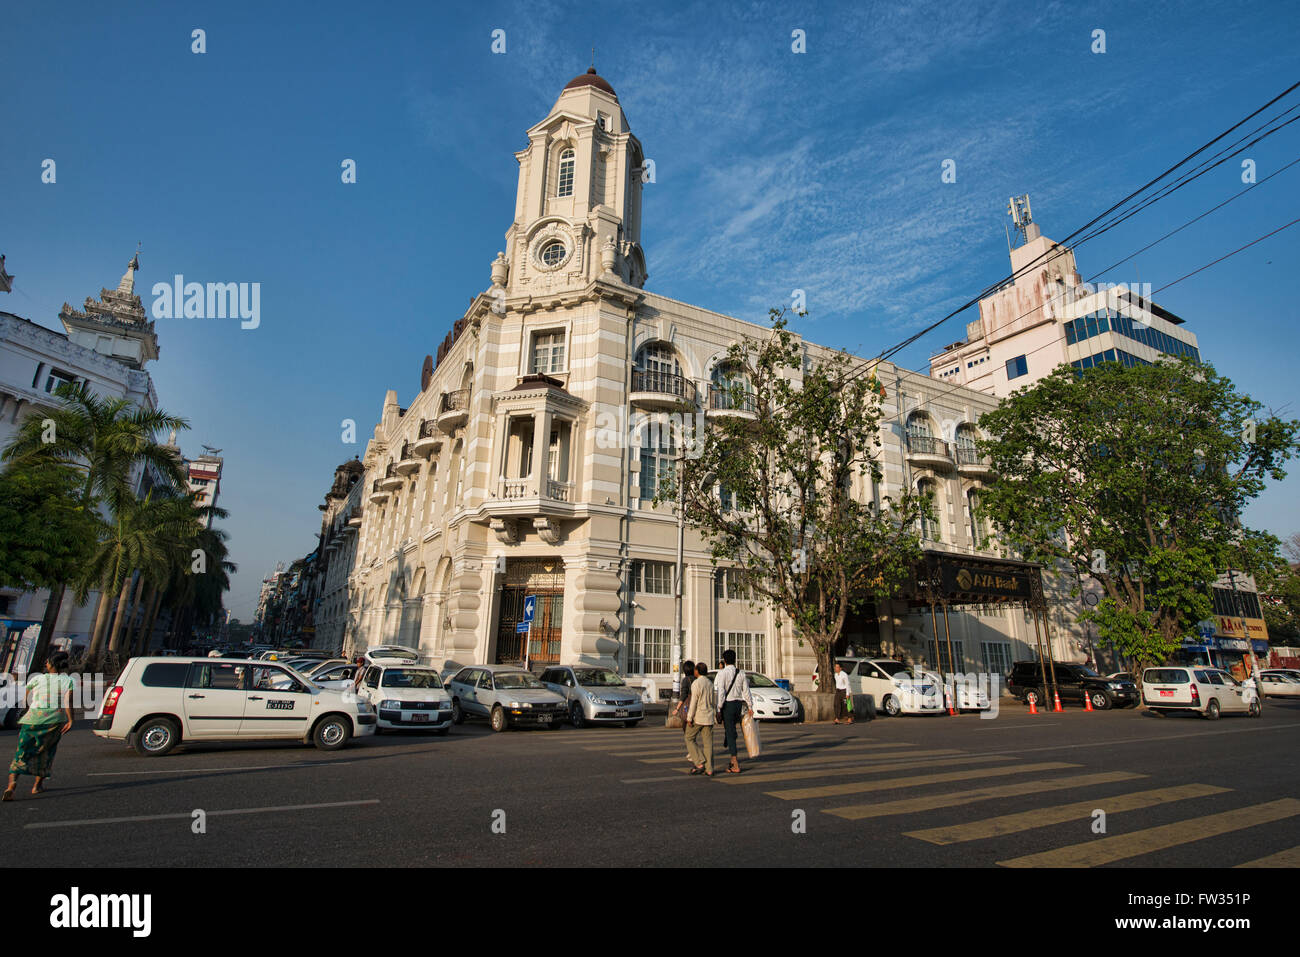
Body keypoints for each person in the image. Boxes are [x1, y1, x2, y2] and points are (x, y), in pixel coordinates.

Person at [5, 652, 75, 800]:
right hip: (54, 720)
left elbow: (26, 700)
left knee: (22, 751)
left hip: (32, 719)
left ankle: (11, 786)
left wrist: (28, 710)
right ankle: (37, 786)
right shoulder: (68, 681)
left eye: (48, 662)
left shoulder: (37, 678)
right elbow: (68, 703)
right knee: (46, 752)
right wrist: (70, 720)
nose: (46, 664)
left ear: (51, 665)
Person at [713, 650, 754, 773]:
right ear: (735, 659)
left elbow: (721, 691)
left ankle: (735, 762)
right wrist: (750, 706)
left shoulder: (722, 673)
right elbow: (746, 690)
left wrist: (719, 707)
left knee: (730, 732)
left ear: (724, 660)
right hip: (738, 705)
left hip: (728, 705)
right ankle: (731, 750)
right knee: (731, 730)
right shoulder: (741, 673)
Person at [685, 663, 715, 776]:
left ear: (697, 671)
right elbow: (713, 701)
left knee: (689, 738)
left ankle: (699, 761)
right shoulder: (710, 683)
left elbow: (693, 702)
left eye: (695, 669)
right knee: (708, 744)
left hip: (699, 716)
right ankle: (709, 769)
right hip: (709, 716)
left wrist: (689, 717)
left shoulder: (696, 683)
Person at [833, 660, 853, 724]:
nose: (836, 669)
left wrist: (847, 693)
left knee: (846, 705)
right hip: (838, 691)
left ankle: (850, 718)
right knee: (836, 704)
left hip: (844, 691)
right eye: (835, 667)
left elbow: (847, 684)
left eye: (837, 667)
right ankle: (837, 718)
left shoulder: (844, 675)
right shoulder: (835, 675)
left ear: (840, 668)